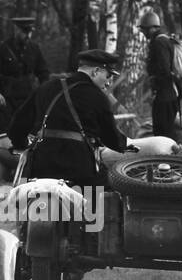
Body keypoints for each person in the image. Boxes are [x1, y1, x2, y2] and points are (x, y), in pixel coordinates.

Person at [8, 49, 131, 186]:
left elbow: (17, 126)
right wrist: (124, 144)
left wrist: (21, 144)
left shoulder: (46, 88)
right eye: (108, 76)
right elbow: (110, 136)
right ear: (96, 71)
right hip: (80, 169)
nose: (108, 82)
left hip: (42, 166)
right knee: (107, 191)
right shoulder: (96, 96)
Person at [0, 16, 49, 136]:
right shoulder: (1, 49)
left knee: (29, 131)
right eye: (25, 32)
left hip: (27, 97)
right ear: (17, 30)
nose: (28, 35)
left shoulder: (34, 48)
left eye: (29, 32)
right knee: (4, 133)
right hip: (5, 98)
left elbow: (43, 71)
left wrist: (44, 89)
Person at [139, 10, 182, 145]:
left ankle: (166, 164)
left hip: (165, 96)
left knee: (163, 136)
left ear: (151, 28)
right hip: (167, 94)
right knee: (166, 134)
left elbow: (164, 69)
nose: (143, 33)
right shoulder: (163, 40)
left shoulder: (159, 43)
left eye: (144, 29)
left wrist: (154, 81)